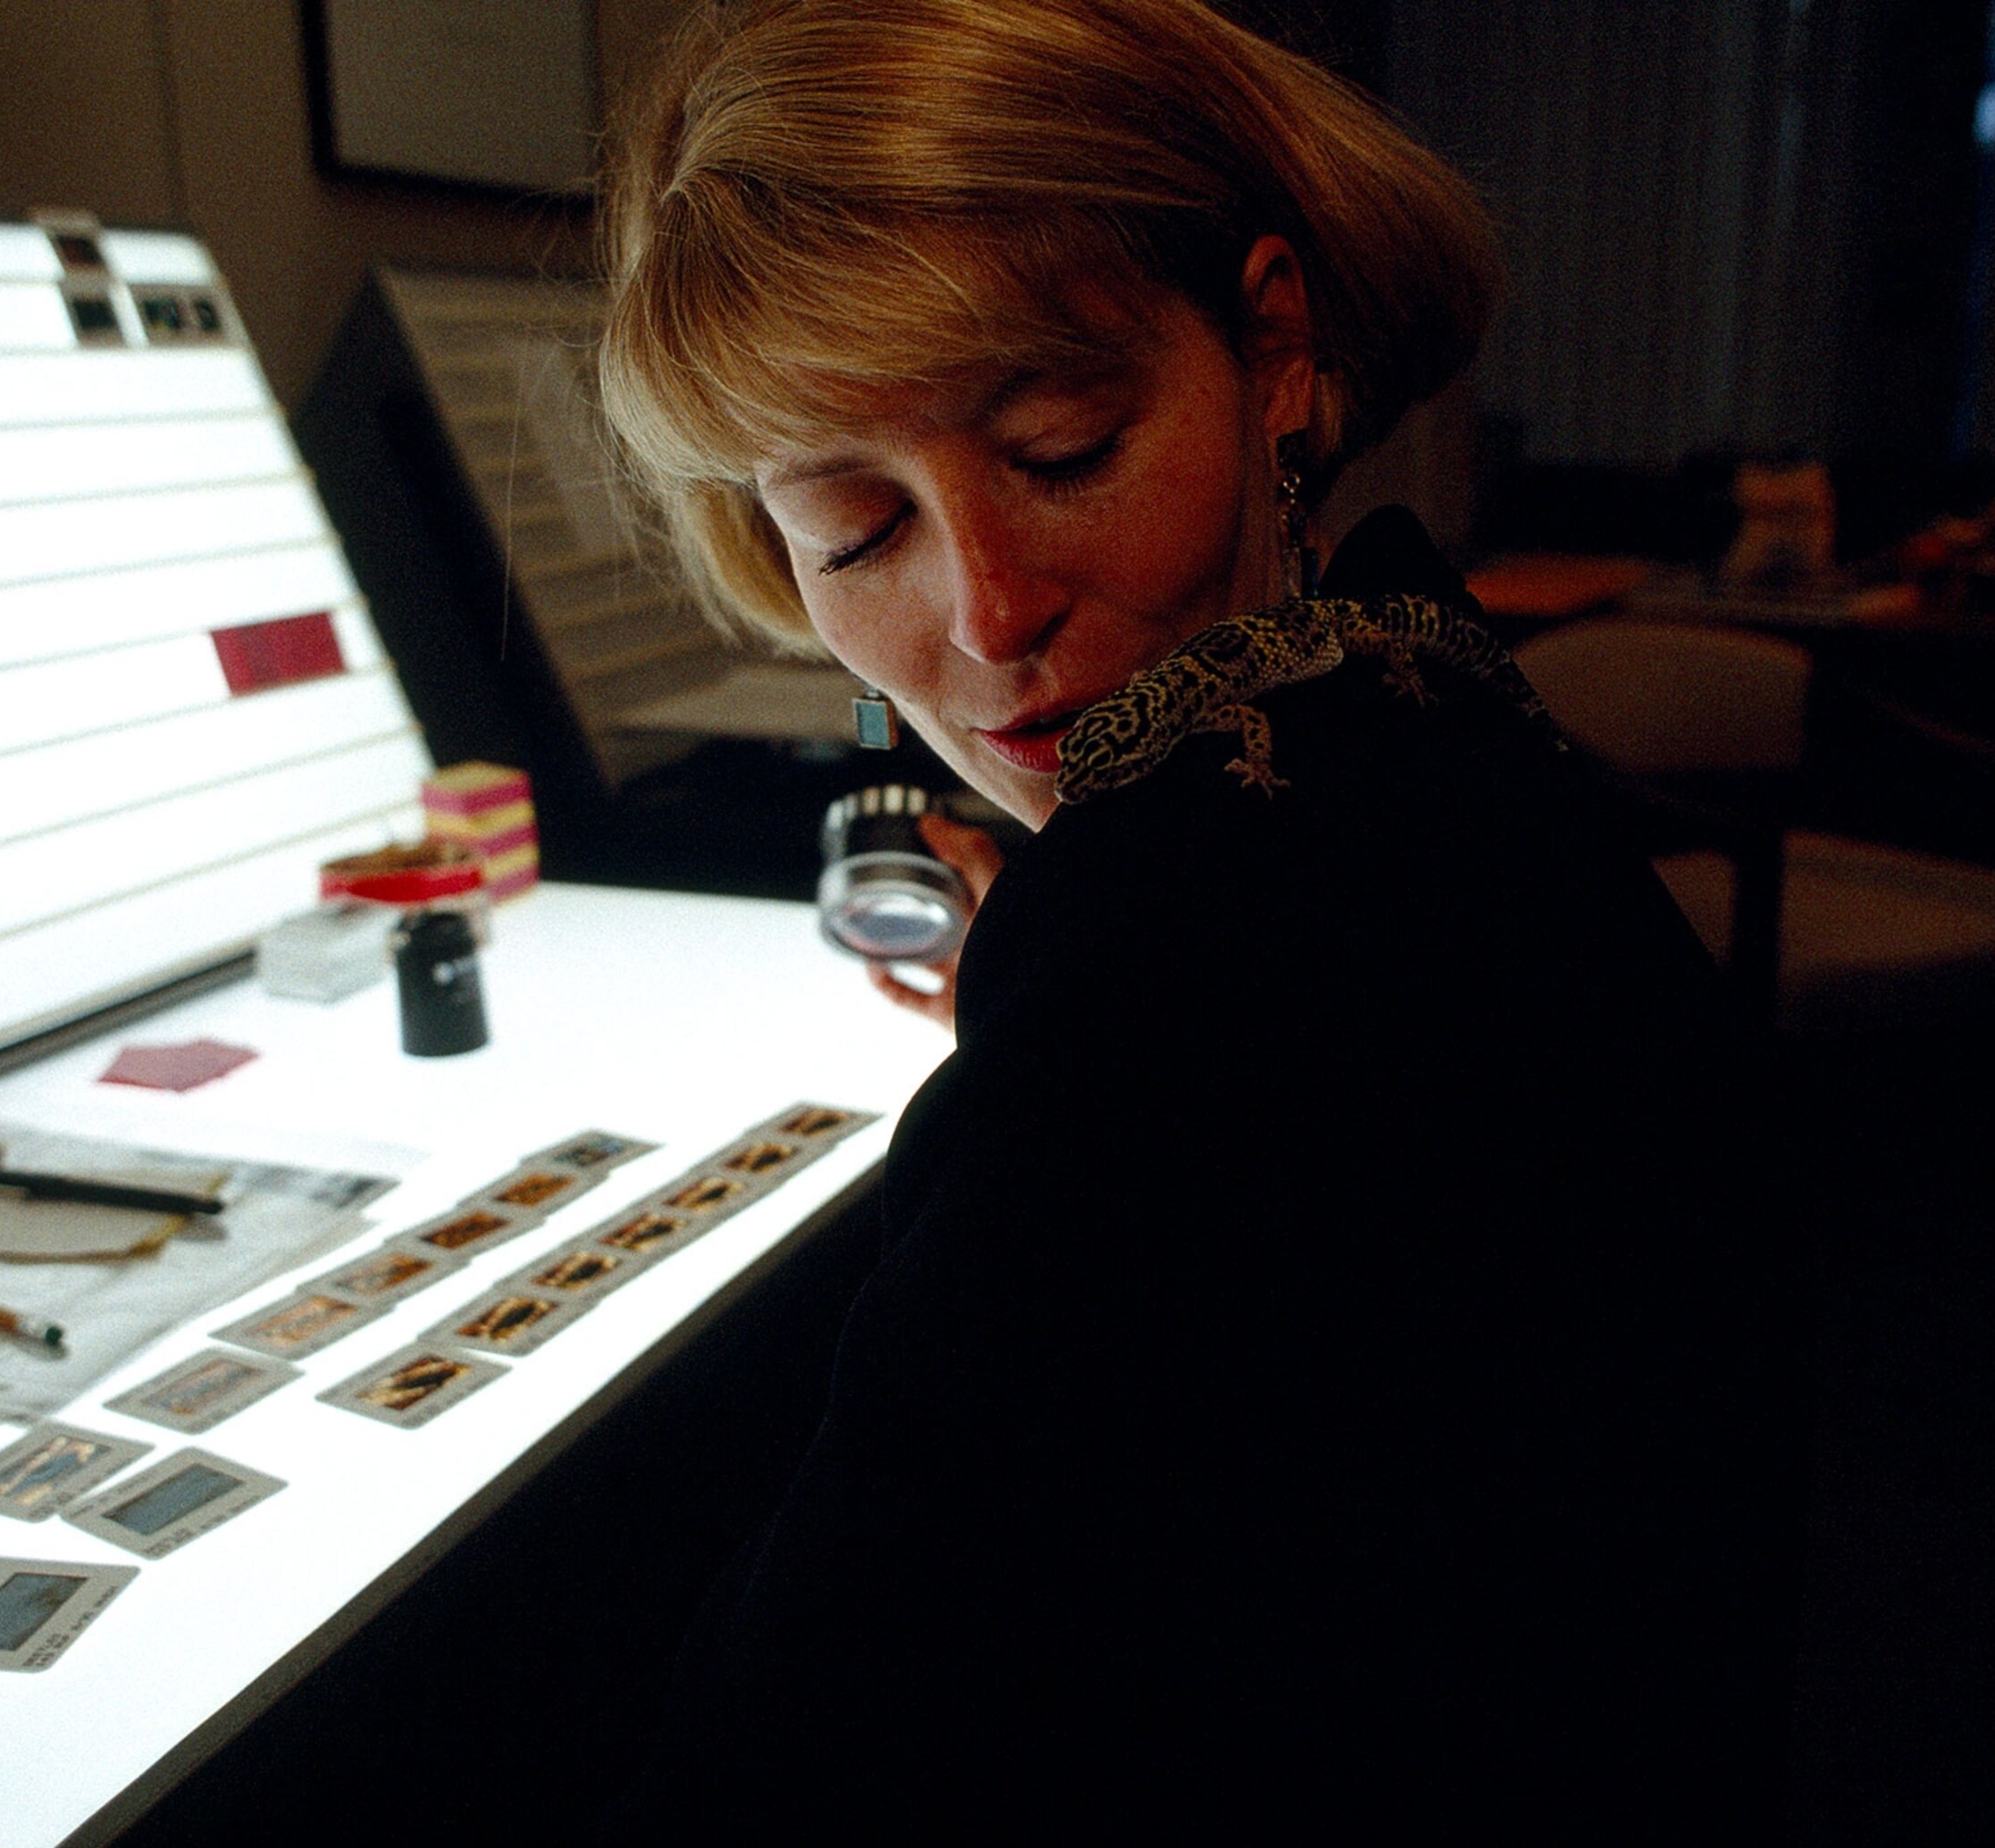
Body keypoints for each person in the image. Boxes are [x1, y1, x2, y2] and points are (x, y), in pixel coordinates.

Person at [596, 0, 1798, 1833]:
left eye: (1065, 446)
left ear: (1273, 344)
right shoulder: (1423, 680)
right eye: (854, 532)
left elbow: (797, 1751)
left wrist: (1078, 1011)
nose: (989, 613)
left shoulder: (1163, 967)